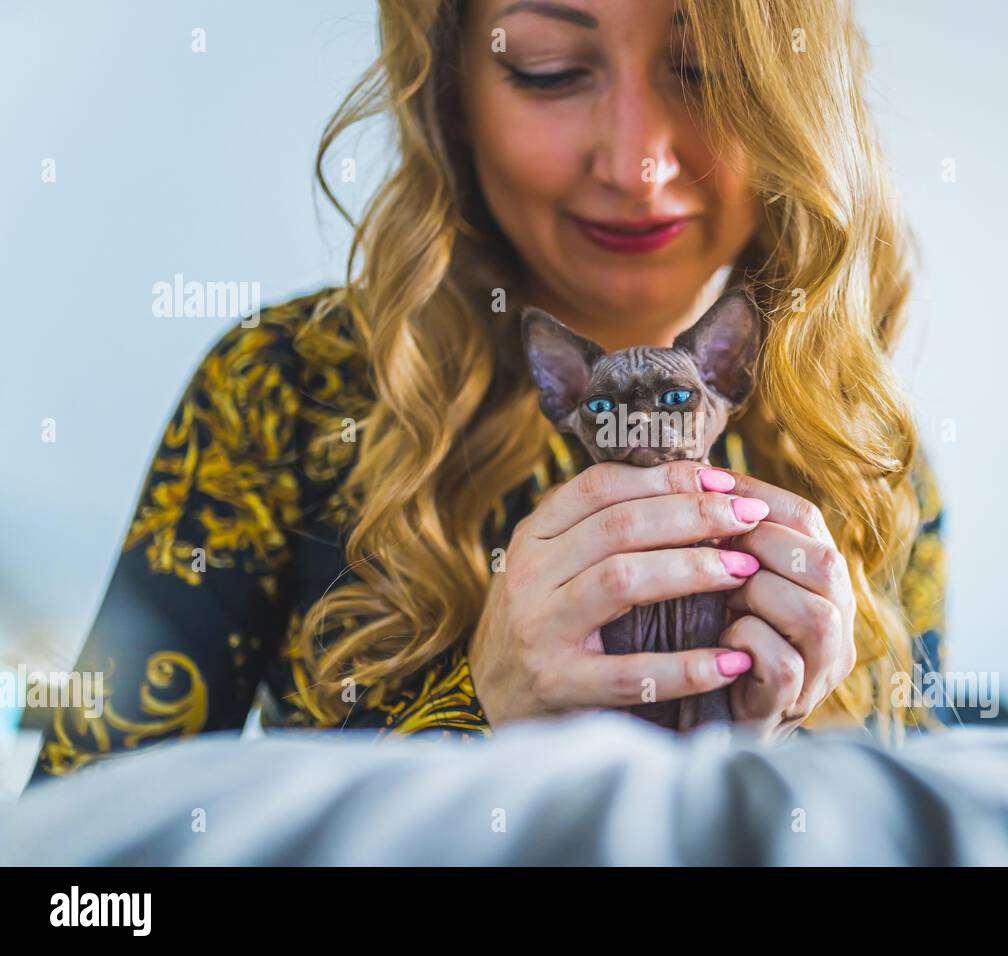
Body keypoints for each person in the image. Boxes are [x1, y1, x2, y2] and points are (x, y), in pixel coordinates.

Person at [24, 0, 946, 781]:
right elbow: (80, 894)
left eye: (705, 72)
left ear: (797, 95)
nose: (636, 167)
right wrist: (477, 713)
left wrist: (763, 775)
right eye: (549, 70)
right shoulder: (277, 391)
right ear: (450, 90)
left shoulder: (864, 448)